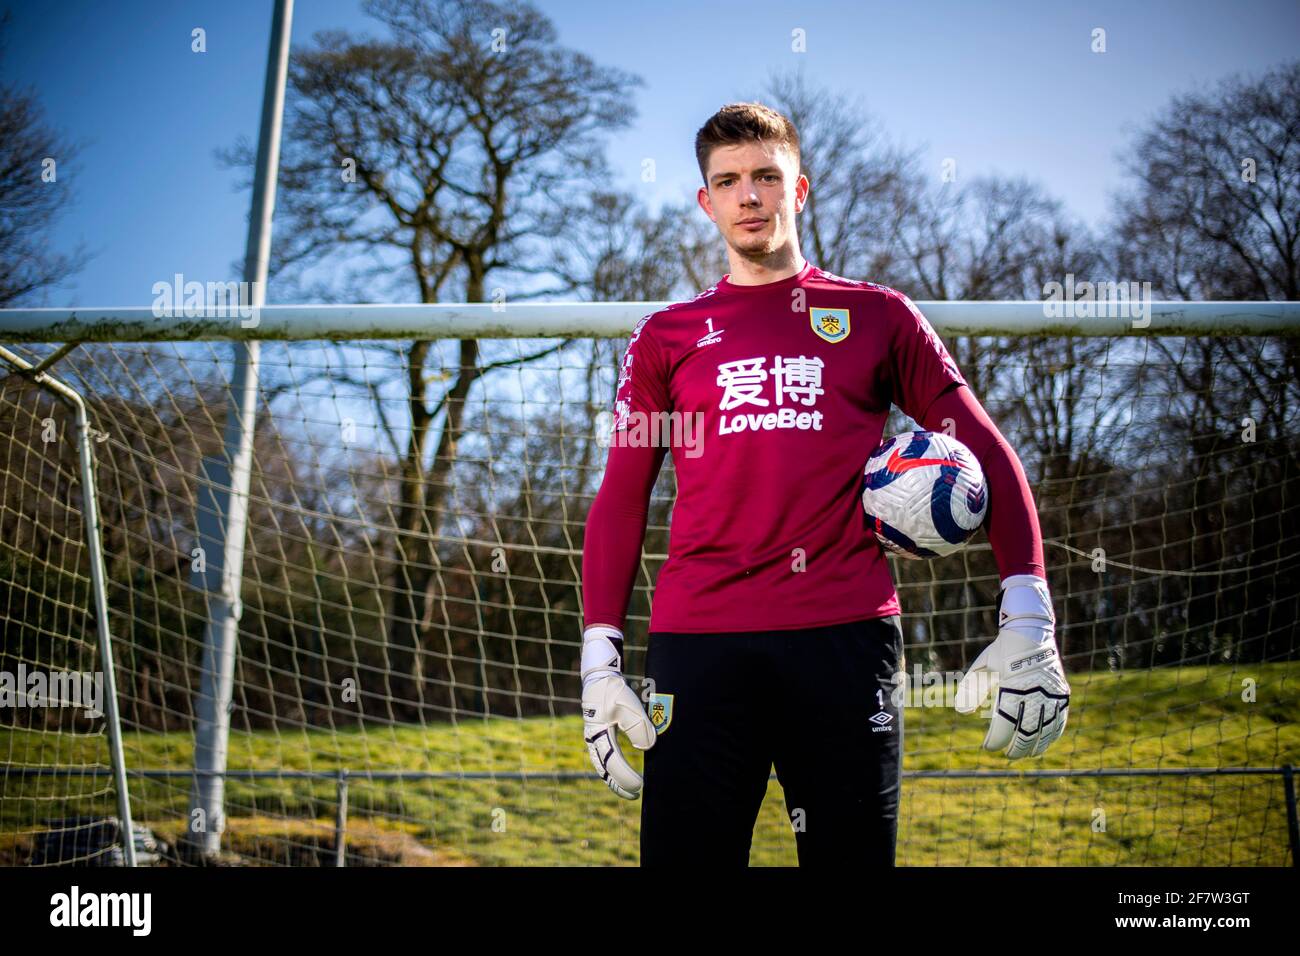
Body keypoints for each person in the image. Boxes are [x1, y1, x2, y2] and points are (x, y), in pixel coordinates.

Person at [579, 102, 1070, 867]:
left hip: (844, 640)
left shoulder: (877, 317)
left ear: (798, 189)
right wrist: (599, 652)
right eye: (729, 181)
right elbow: (621, 493)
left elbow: (983, 444)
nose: (749, 197)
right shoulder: (665, 338)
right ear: (705, 202)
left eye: (766, 177)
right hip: (699, 647)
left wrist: (1030, 612)